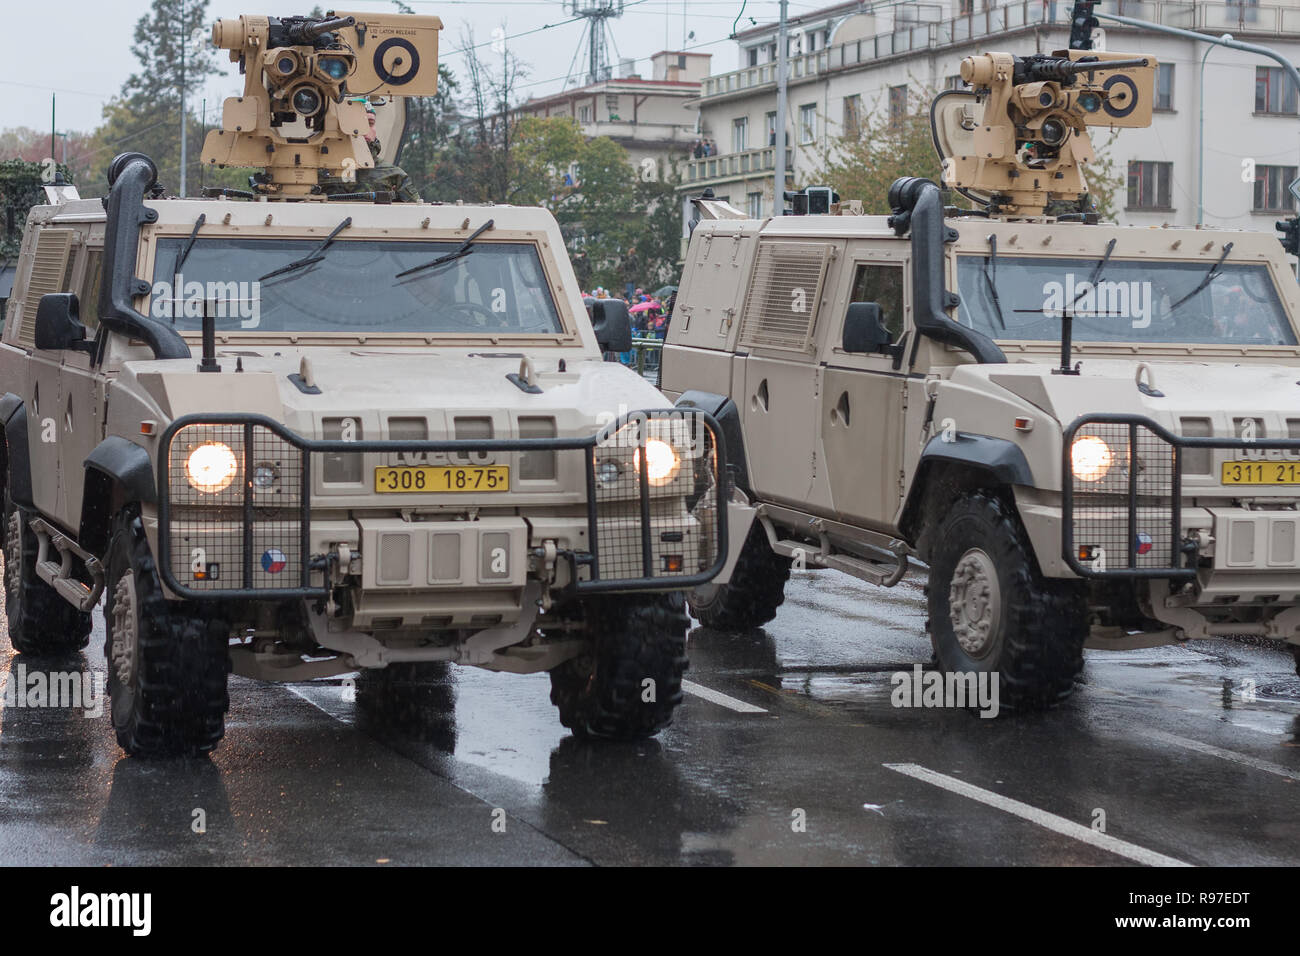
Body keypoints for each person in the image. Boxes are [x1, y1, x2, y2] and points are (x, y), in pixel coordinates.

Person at [318, 99, 422, 202]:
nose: (365, 129)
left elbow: (417, 213)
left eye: (370, 123)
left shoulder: (394, 176)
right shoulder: (318, 173)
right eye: (358, 124)